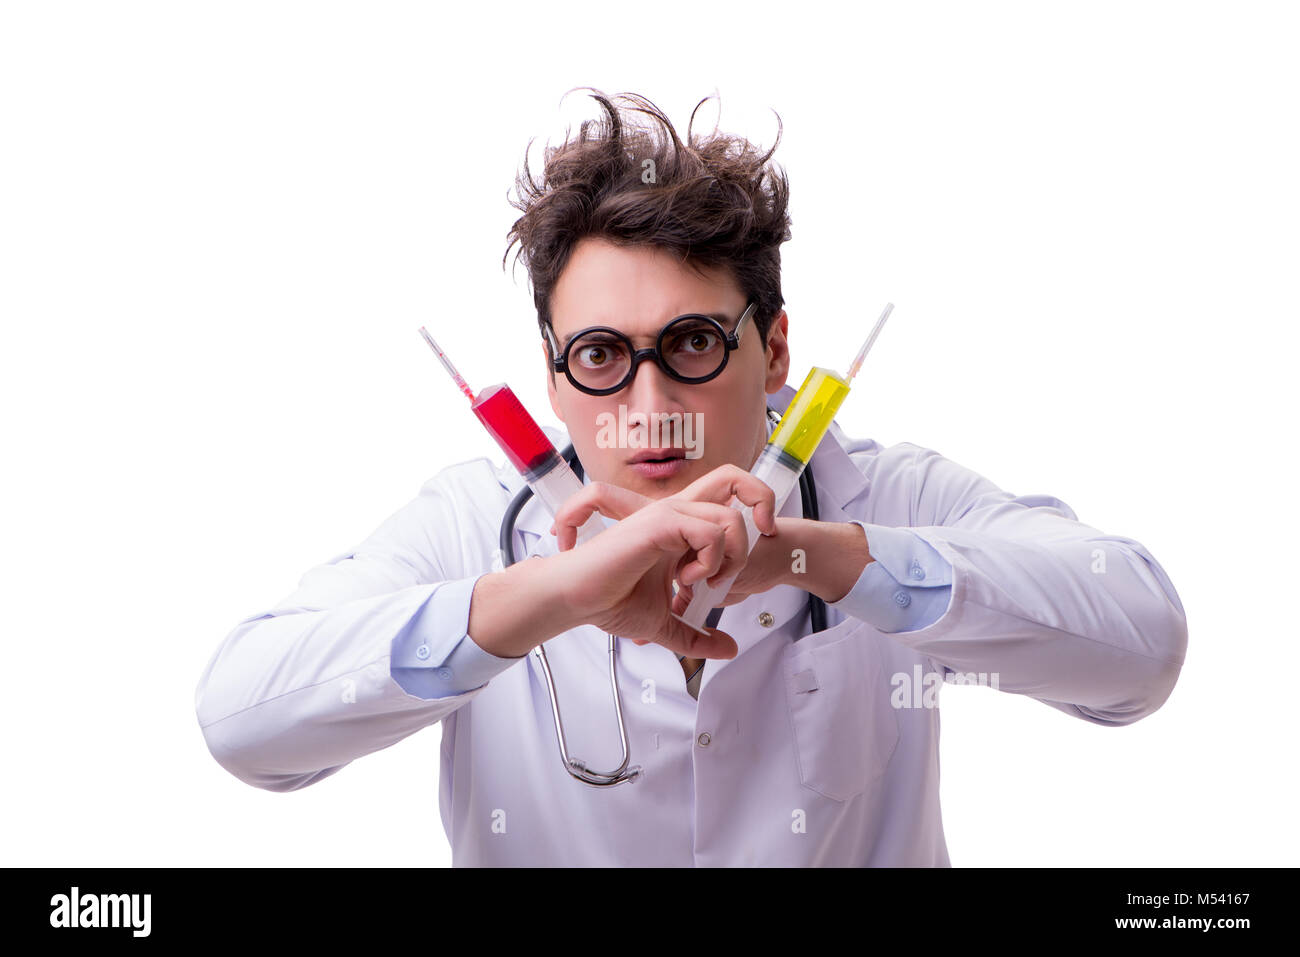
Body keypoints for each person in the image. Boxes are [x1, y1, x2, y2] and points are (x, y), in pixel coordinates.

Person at [194, 90, 1188, 866]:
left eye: (695, 341)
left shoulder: (877, 501)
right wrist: (545, 596)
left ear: (777, 349)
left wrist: (816, 557)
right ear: (551, 374)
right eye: (599, 355)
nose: (648, 396)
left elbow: (1140, 647)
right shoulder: (474, 525)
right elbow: (243, 723)